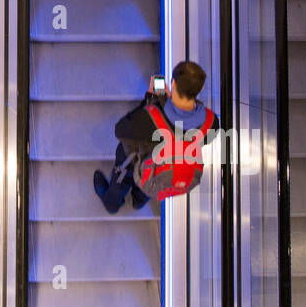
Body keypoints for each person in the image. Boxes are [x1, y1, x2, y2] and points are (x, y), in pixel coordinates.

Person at [93, 61, 219, 213]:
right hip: (164, 173)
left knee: (124, 172)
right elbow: (202, 139)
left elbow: (121, 130)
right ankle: (138, 201)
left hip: (140, 162)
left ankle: (112, 204)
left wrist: (150, 100)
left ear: (172, 83)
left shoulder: (150, 118)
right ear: (200, 89)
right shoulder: (211, 122)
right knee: (153, 181)